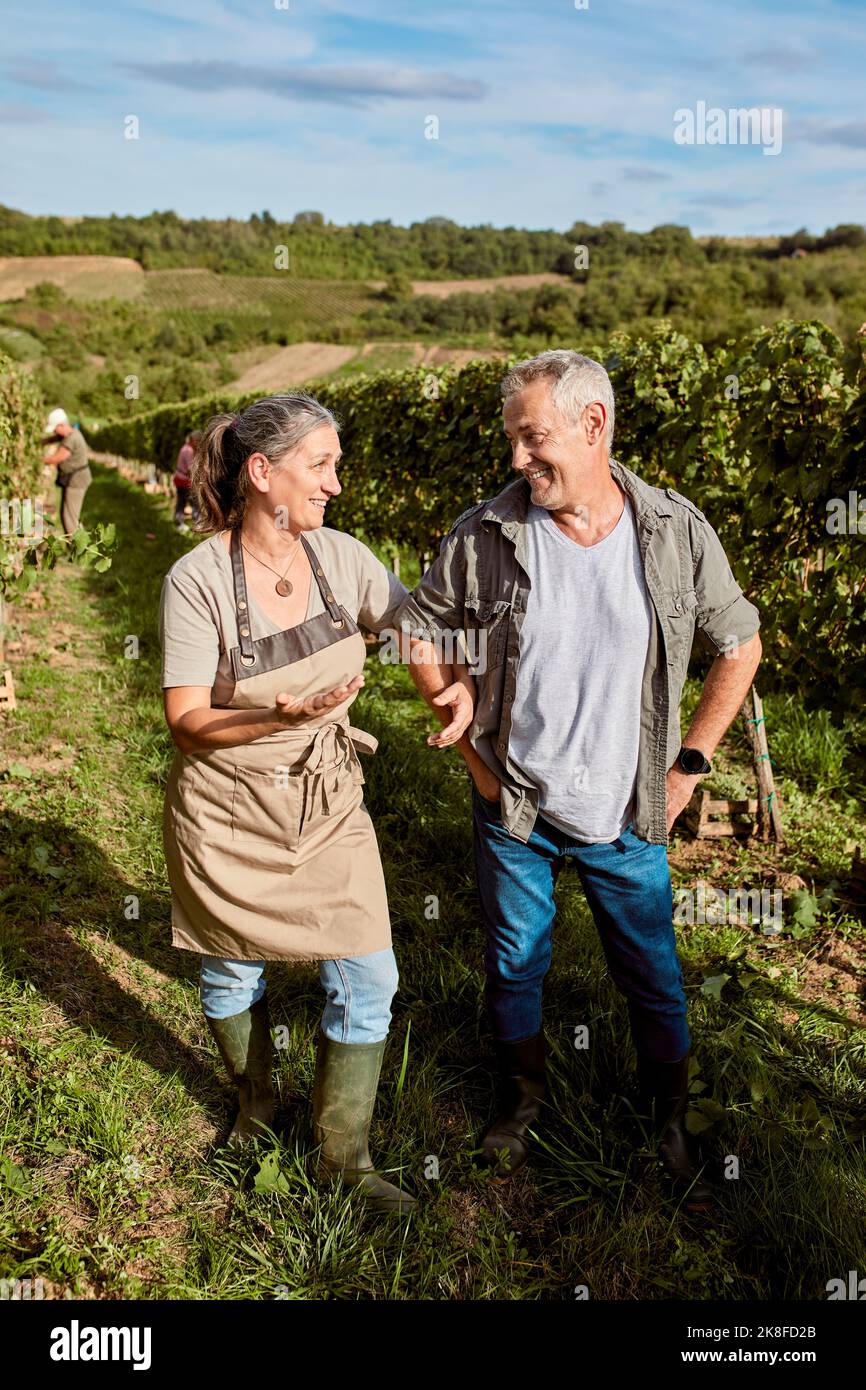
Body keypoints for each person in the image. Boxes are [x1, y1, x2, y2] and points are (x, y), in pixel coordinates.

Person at [396, 350, 762, 1211]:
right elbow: (419, 628)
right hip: (514, 803)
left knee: (653, 974)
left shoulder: (674, 531)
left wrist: (690, 768)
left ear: (593, 426)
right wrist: (461, 728)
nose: (517, 460)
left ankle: (670, 1116)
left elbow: (739, 645)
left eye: (532, 439)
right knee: (515, 964)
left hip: (630, 810)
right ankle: (522, 1102)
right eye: (513, 442)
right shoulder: (486, 532)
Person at [159, 393, 473, 1214]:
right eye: (321, 464)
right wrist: (272, 714)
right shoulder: (196, 581)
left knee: (369, 971)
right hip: (228, 808)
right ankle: (256, 1109)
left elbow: (411, 629)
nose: (336, 482)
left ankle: (343, 1158)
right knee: (233, 966)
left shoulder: (340, 557)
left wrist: (452, 696)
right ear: (263, 473)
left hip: (329, 800)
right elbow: (189, 721)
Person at [42, 408, 92, 536]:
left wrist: (38, 460)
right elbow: (55, 437)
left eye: (55, 428)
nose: (54, 431)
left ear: (62, 425)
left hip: (77, 481)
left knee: (70, 518)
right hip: (75, 479)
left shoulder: (72, 439)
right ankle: (78, 547)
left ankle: (79, 551)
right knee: (69, 515)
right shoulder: (71, 432)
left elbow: (56, 458)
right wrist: (42, 442)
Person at [173, 431, 201, 530]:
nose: (199, 443)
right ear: (193, 440)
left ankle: (179, 521)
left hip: (180, 478)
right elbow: (190, 468)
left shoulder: (187, 448)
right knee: (194, 501)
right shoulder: (188, 450)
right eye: (198, 440)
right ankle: (196, 523)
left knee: (182, 501)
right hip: (183, 480)